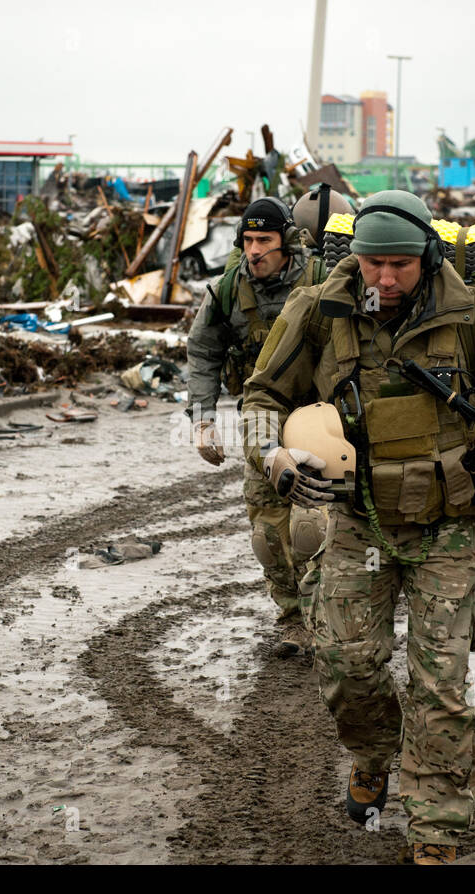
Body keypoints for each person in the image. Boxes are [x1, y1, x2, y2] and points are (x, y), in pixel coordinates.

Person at [241, 190, 475, 864]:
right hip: (356, 521)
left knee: (440, 684)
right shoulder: (318, 311)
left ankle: (437, 828)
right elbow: (261, 396)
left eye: (399, 265)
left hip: (447, 526)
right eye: (371, 263)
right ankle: (372, 751)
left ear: (427, 256)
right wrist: (270, 451)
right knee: (345, 664)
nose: (383, 279)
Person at [185, 196, 328, 656]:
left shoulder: (322, 279)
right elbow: (203, 350)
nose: (254, 251)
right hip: (259, 417)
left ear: (286, 241)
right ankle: (293, 621)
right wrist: (203, 420)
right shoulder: (229, 290)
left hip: (320, 420)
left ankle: (328, 618)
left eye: (263, 240)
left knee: (314, 527)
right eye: (247, 240)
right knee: (268, 536)